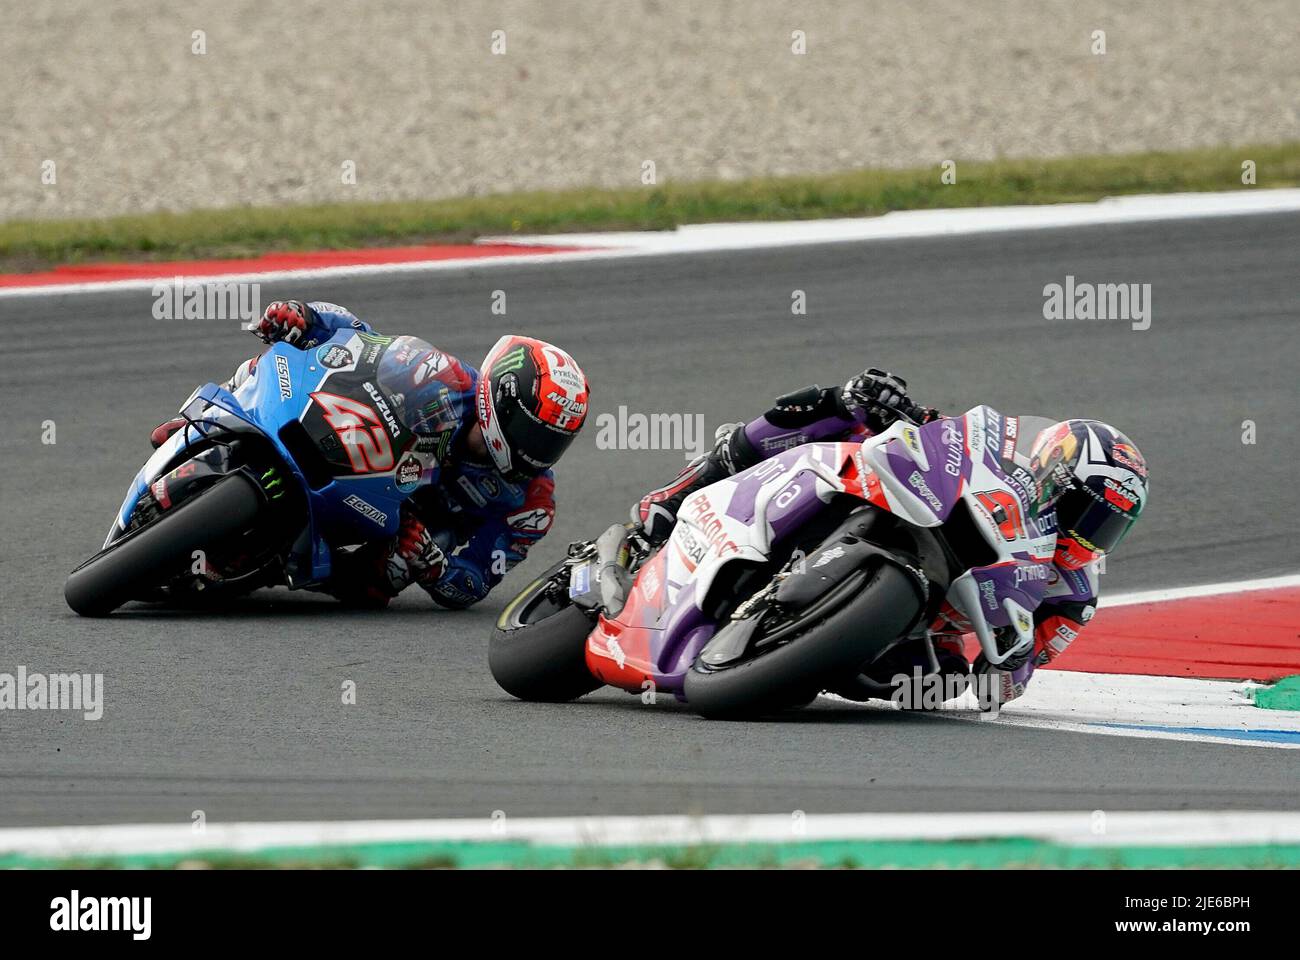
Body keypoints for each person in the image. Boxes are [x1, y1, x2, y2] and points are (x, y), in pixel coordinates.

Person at [631, 369, 1148, 704]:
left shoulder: (1072, 594)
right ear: (1052, 476)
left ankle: (792, 650)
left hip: (911, 628)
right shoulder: (1001, 462)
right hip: (895, 507)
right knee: (838, 408)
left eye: (1109, 527)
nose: (1090, 533)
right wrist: (887, 404)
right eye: (1087, 511)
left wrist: (1011, 663)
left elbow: (1011, 681)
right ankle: (680, 492)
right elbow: (943, 435)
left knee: (934, 684)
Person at [152, 300, 590, 608]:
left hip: (397, 523)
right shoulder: (445, 376)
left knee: (394, 571)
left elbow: (476, 582)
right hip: (357, 455)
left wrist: (436, 567)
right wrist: (304, 317)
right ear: (502, 402)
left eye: (554, 442)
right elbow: (359, 341)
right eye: (533, 433)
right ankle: (212, 421)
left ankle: (269, 565)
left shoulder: (531, 505)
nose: (538, 452)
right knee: (275, 361)